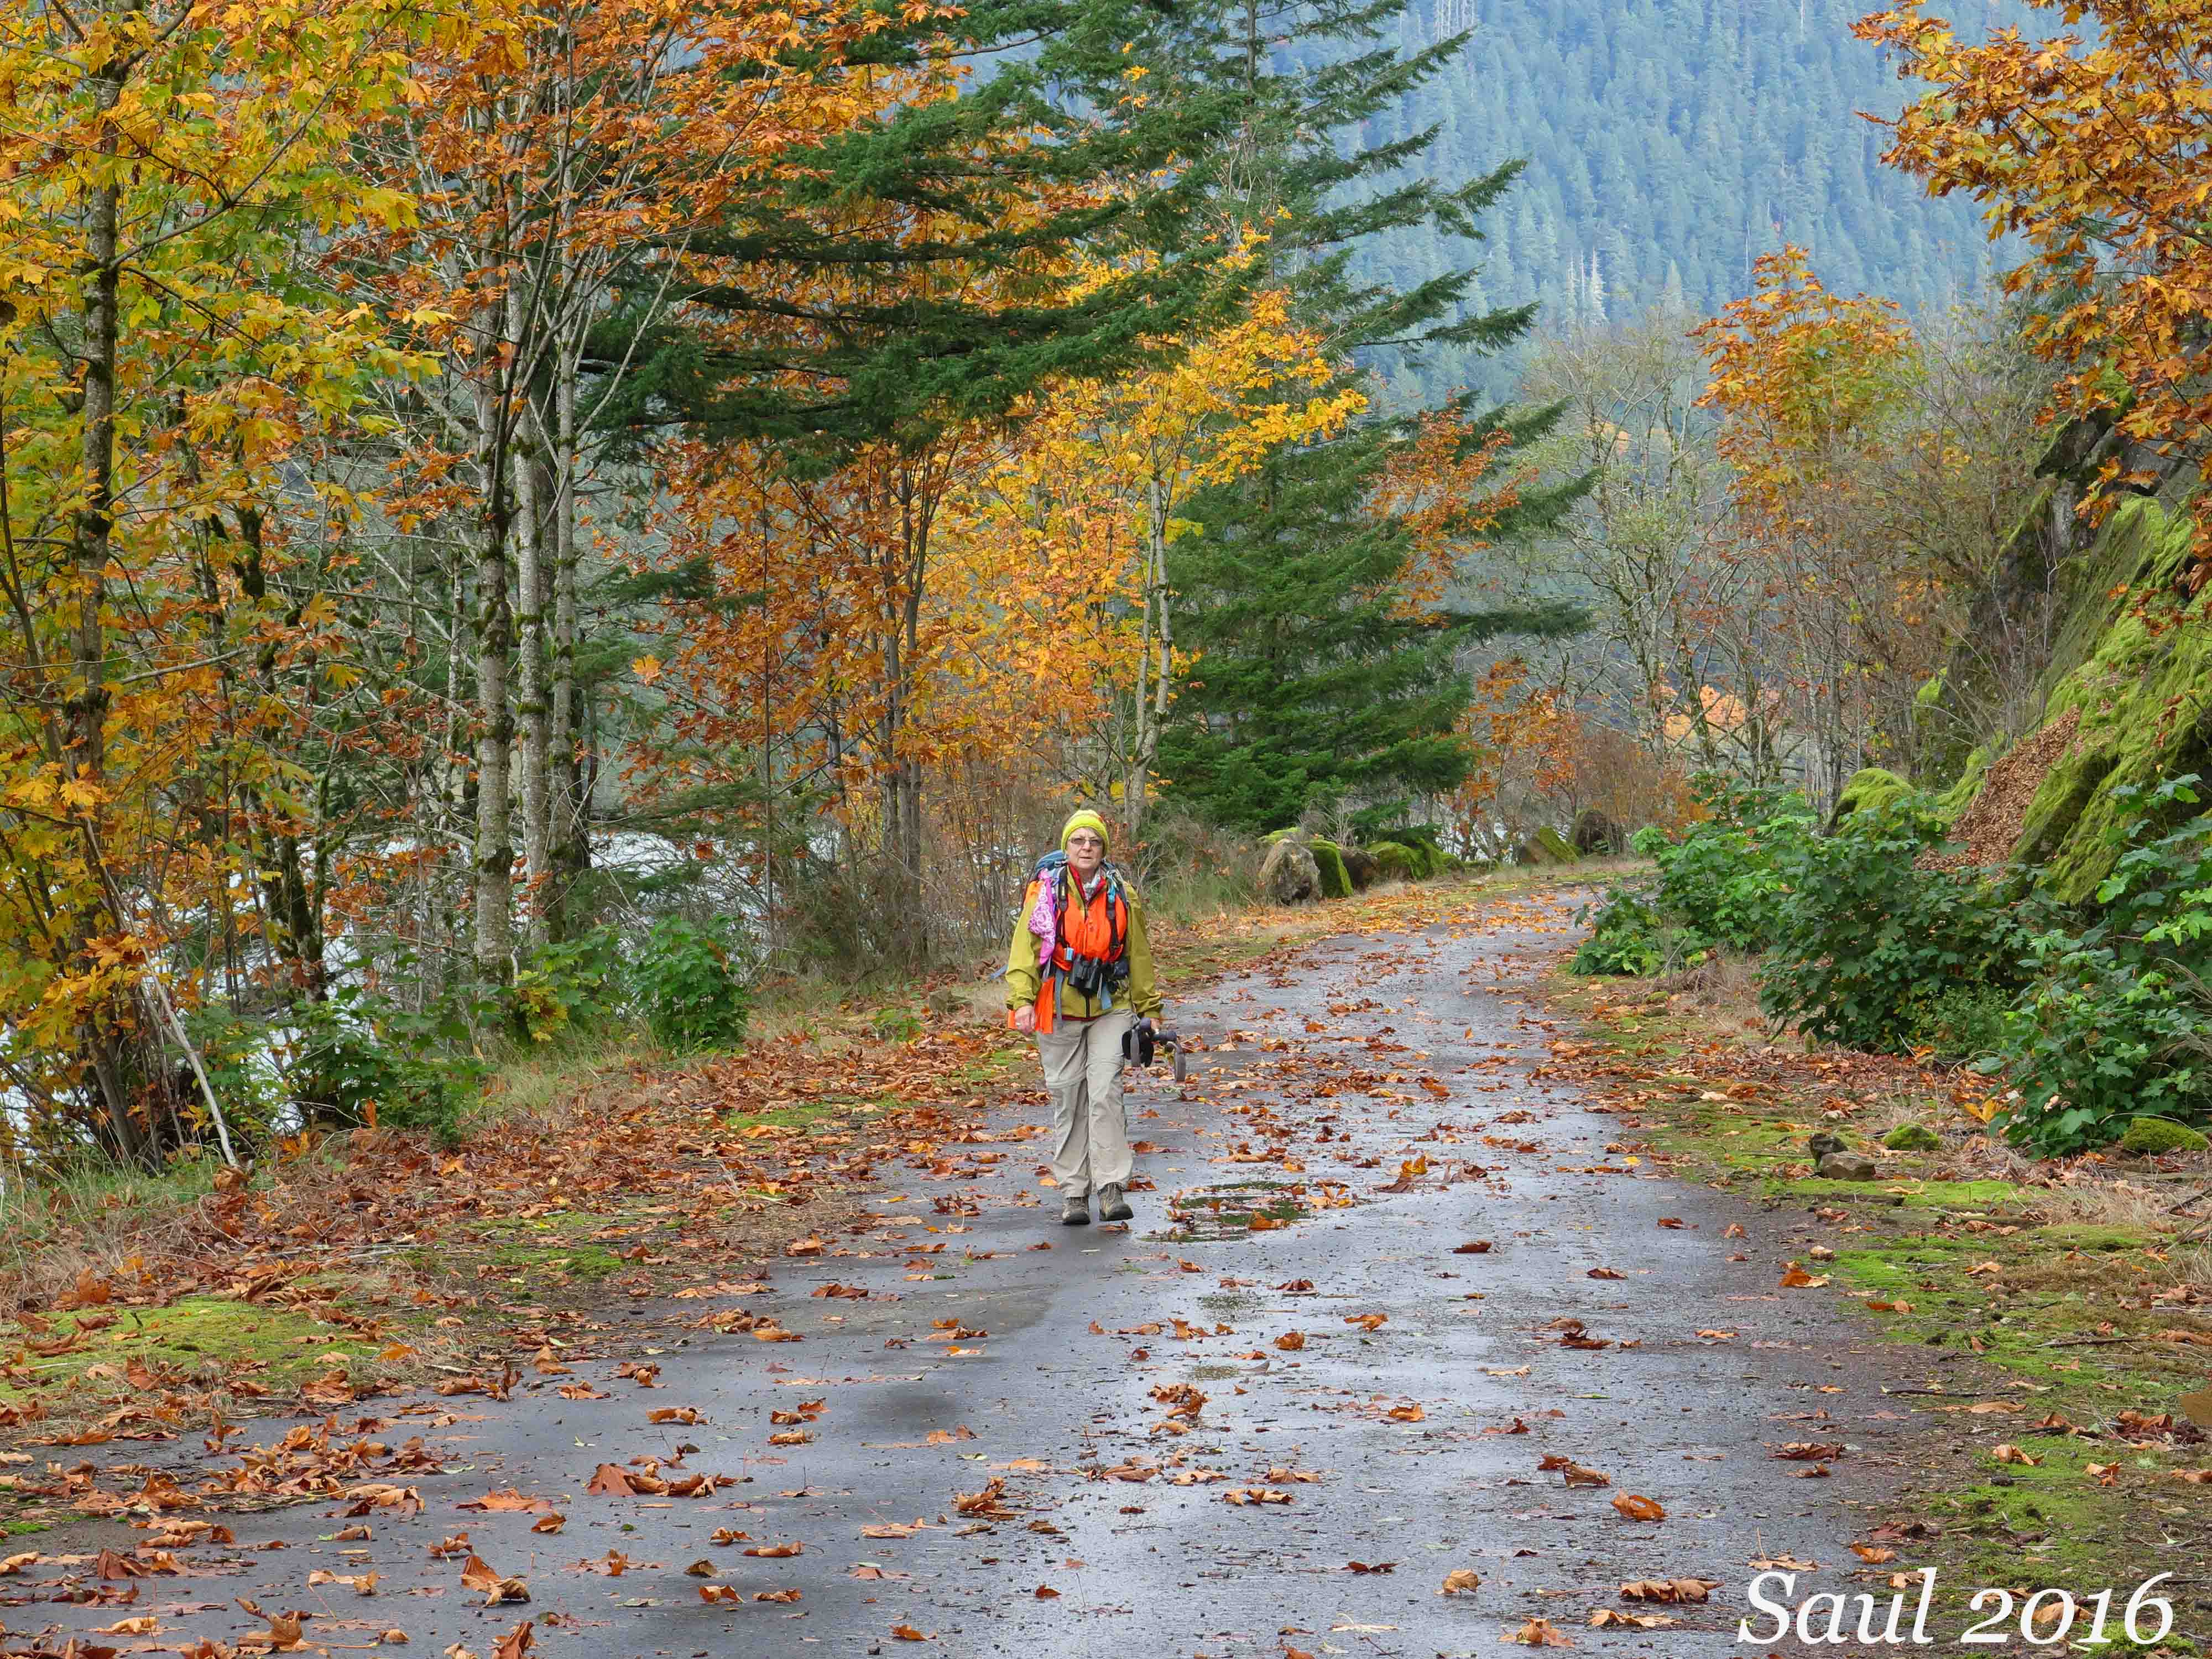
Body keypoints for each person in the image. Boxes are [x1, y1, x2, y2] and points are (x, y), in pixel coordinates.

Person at [1005, 808, 1163, 1226]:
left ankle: (1110, 1188)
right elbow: (1024, 952)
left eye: (1094, 841)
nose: (1086, 848)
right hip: (1058, 1008)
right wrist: (1021, 1000)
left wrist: (1150, 1011)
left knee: (1105, 1093)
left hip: (1111, 1006)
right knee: (1068, 1099)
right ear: (1067, 847)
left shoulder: (1122, 892)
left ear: (1103, 849)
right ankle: (1075, 1193)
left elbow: (1139, 955)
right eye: (1078, 841)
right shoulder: (1046, 893)